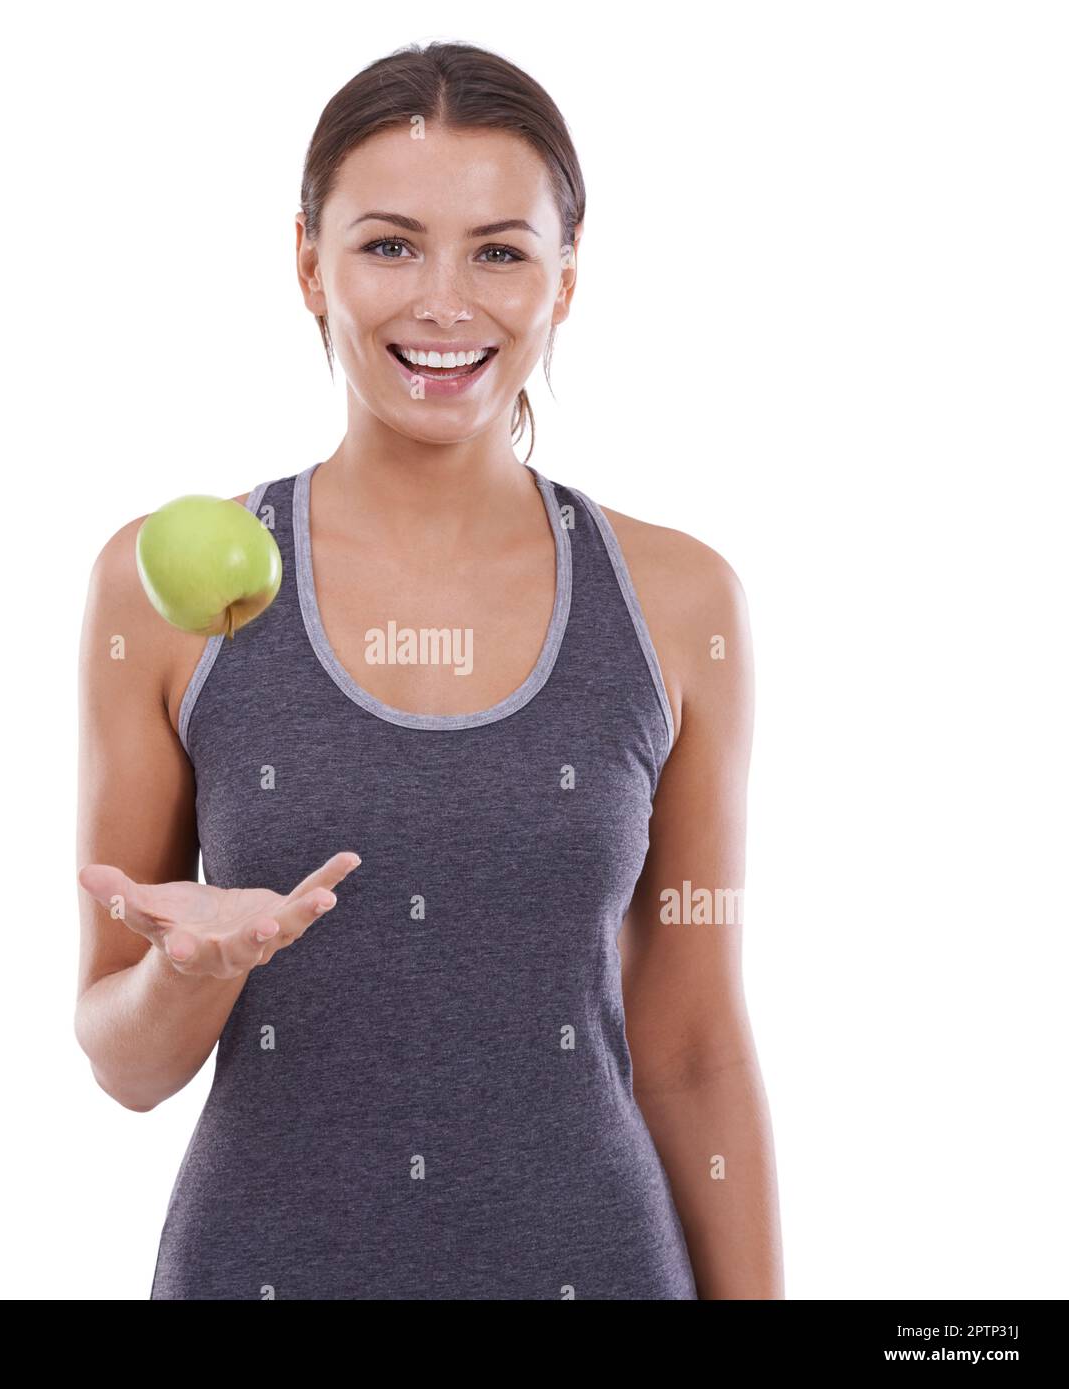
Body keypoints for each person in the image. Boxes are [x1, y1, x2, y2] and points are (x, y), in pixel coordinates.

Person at [75, 39, 781, 1300]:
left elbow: (691, 1045)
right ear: (309, 264)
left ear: (564, 279)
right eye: (389, 244)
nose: (444, 303)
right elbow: (124, 1064)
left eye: (499, 251)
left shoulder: (677, 601)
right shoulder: (159, 590)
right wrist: (190, 973)